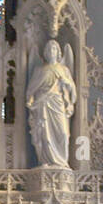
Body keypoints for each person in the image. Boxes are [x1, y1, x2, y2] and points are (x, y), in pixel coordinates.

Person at [25, 40, 77, 168]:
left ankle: (62, 162)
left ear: (58, 52)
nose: (51, 52)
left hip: (58, 105)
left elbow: (72, 90)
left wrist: (67, 83)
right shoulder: (39, 70)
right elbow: (31, 89)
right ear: (45, 53)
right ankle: (45, 161)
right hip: (42, 105)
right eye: (48, 49)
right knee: (44, 134)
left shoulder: (64, 70)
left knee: (64, 134)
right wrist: (31, 100)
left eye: (54, 49)